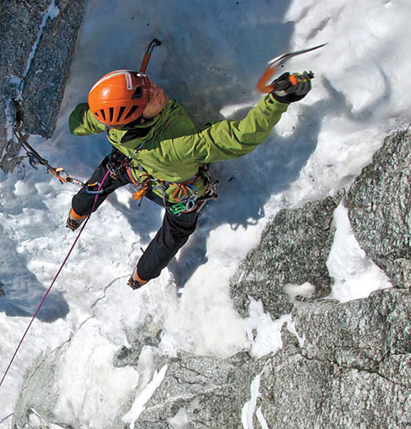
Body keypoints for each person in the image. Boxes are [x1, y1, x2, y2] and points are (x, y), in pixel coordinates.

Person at [65, 66, 312, 288]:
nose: (156, 89)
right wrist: (277, 101)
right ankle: (141, 275)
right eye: (148, 96)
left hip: (136, 167)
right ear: (136, 118)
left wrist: (93, 113)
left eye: (146, 84)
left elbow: (78, 121)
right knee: (173, 235)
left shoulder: (111, 121)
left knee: (104, 176)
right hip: (178, 190)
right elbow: (239, 138)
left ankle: (77, 213)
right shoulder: (178, 145)